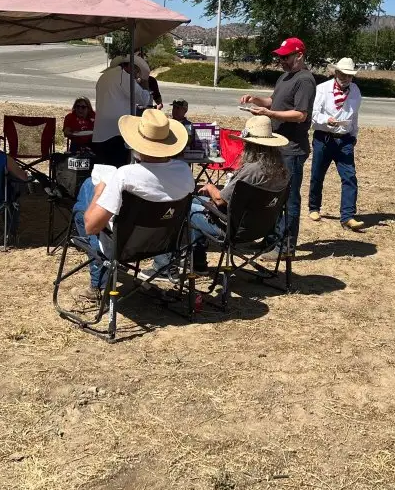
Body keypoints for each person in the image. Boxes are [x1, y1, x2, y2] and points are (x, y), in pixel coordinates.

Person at [75, 108, 192, 300]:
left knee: (84, 201)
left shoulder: (126, 175)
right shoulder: (184, 171)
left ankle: (97, 283)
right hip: (161, 242)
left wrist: (99, 192)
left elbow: (91, 226)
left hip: (123, 244)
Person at [155, 114, 290, 273]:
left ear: (251, 145)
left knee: (187, 208)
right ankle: (197, 261)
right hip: (263, 226)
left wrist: (211, 187)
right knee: (197, 200)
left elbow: (220, 200)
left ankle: (179, 263)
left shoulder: (251, 170)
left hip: (233, 228)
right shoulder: (282, 169)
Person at [239, 37, 316, 256]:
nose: (280, 60)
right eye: (280, 57)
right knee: (271, 196)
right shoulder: (285, 77)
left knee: (289, 198)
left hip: (292, 149)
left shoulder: (305, 80)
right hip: (276, 146)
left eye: (285, 56)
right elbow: (274, 101)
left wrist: (270, 115)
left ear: (299, 55)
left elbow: (300, 115)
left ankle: (286, 246)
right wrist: (255, 100)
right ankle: (271, 239)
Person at [308, 57, 365, 231]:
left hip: (345, 139)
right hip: (323, 138)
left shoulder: (355, 91)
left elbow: (354, 116)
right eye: (343, 74)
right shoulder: (322, 89)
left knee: (349, 177)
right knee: (318, 174)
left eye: (350, 75)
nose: (346, 78)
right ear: (336, 73)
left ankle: (347, 216)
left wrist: (354, 135)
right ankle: (314, 207)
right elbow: (313, 114)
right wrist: (327, 120)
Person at [92, 54, 150, 167]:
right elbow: (144, 99)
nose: (136, 75)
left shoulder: (104, 76)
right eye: (136, 71)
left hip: (101, 132)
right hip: (116, 133)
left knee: (104, 170)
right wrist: (145, 83)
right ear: (130, 67)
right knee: (117, 169)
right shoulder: (124, 77)